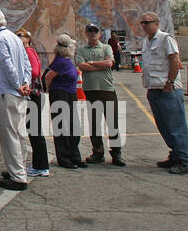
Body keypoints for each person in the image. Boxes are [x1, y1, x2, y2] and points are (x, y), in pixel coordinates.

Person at [0, 10, 32, 190]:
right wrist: (25, 83)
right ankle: (19, 169)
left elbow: (7, 63)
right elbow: (26, 62)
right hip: (18, 92)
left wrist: (17, 84)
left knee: (9, 134)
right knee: (19, 133)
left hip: (7, 91)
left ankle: (18, 176)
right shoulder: (15, 37)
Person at [139, 11, 188, 174]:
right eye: (142, 23)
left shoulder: (165, 39)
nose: (144, 25)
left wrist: (170, 82)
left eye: (147, 22)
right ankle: (175, 154)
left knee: (176, 125)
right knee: (164, 125)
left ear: (156, 23)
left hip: (167, 89)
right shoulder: (146, 42)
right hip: (153, 88)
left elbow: (175, 61)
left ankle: (185, 160)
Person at [78, 23, 123, 165]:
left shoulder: (106, 47)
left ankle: (116, 153)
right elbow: (81, 66)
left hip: (106, 89)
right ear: (86, 33)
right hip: (90, 90)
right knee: (94, 123)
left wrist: (91, 63)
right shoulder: (81, 49)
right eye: (90, 31)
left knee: (112, 122)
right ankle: (97, 151)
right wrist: (99, 64)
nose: (92, 33)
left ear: (99, 34)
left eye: (95, 31)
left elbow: (109, 64)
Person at [43, 34, 87, 170]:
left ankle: (74, 155)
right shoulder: (61, 61)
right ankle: (64, 157)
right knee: (62, 126)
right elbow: (48, 77)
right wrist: (51, 91)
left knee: (73, 127)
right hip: (60, 94)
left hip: (70, 93)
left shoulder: (65, 60)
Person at [15, 28, 50, 177]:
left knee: (35, 131)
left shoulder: (28, 52)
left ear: (27, 39)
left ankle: (41, 166)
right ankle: (38, 164)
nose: (17, 38)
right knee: (33, 130)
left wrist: (23, 80)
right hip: (33, 93)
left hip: (33, 94)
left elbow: (34, 72)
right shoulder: (27, 51)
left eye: (20, 36)